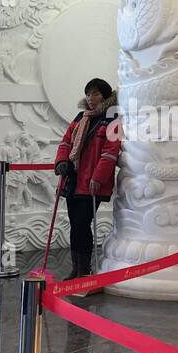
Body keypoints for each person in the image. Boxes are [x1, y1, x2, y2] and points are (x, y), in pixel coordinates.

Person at [53, 78, 120, 292]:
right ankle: (77, 268)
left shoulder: (112, 119)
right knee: (75, 225)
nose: (91, 99)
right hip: (74, 179)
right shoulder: (80, 117)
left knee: (82, 223)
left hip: (92, 184)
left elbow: (110, 151)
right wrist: (62, 161)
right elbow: (66, 141)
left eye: (96, 94)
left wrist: (98, 178)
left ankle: (85, 270)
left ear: (105, 95)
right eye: (89, 94)